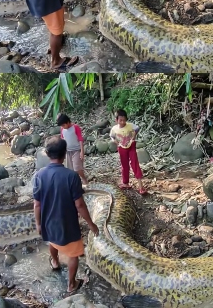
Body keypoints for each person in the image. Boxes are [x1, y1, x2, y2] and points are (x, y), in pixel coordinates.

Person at [33, 137, 100, 294]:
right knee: (74, 253)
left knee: (52, 241)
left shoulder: (39, 175)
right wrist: (91, 224)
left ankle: (55, 262)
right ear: (64, 154)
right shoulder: (71, 176)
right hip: (67, 224)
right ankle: (71, 284)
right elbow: (79, 204)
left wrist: (38, 223)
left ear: (47, 154)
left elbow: (37, 204)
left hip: (48, 221)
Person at [109, 109, 147, 195]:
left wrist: (133, 136)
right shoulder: (114, 128)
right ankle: (125, 183)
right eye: (120, 120)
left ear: (126, 119)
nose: (122, 122)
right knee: (124, 165)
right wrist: (114, 141)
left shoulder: (130, 125)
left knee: (135, 164)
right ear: (116, 120)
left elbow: (137, 128)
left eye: (124, 120)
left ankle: (141, 187)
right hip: (122, 148)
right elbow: (112, 136)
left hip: (131, 147)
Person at [58, 114, 89, 185]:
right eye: (62, 126)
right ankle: (76, 182)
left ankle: (84, 179)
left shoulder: (75, 127)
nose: (63, 127)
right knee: (70, 169)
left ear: (68, 122)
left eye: (63, 125)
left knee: (77, 167)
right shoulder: (62, 129)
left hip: (77, 150)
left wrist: (82, 151)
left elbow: (80, 139)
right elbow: (63, 139)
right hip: (68, 151)